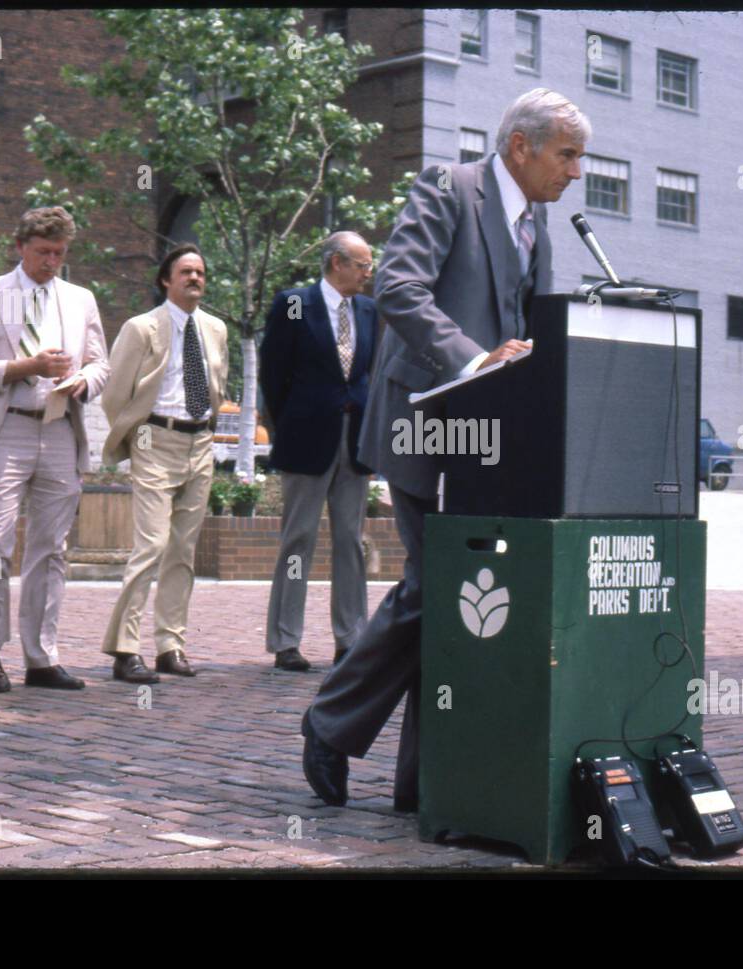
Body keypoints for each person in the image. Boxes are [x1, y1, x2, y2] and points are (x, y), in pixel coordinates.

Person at [300, 88, 590, 810]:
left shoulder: (541, 229)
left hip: (492, 443)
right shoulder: (448, 188)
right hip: (424, 424)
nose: (577, 171)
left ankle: (421, 780)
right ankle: (329, 723)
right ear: (520, 146)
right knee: (436, 586)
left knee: (456, 601)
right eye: (568, 154)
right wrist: (472, 359)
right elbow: (398, 286)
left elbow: (530, 330)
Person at [0, 206, 110, 691]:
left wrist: (81, 381)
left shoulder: (80, 298)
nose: (51, 262)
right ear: (20, 246)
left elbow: (100, 364)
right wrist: (29, 367)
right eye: (43, 252)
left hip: (61, 428)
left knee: (51, 548)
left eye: (59, 254)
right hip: (7, 428)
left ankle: (41, 657)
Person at [98, 244, 228, 682]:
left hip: (199, 443)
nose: (195, 278)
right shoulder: (142, 328)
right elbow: (115, 392)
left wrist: (206, 431)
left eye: (201, 272)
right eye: (186, 272)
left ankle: (170, 645)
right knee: (151, 544)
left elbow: (217, 385)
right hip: (156, 437)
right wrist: (135, 436)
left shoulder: (215, 329)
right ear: (165, 280)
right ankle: (124, 648)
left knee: (182, 552)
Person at [259, 231, 379, 672]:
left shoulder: (368, 309)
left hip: (355, 440)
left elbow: (370, 372)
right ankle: (286, 640)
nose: (369, 273)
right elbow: (273, 374)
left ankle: (351, 638)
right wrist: (290, 423)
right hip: (307, 438)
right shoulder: (294, 303)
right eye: (363, 265)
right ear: (336, 263)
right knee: (298, 540)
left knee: (350, 540)